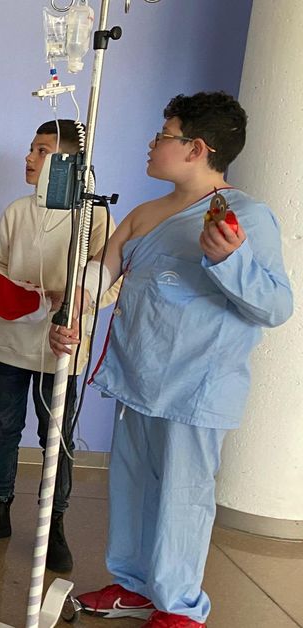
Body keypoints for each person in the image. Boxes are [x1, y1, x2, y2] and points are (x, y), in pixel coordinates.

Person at [52, 92, 291, 628]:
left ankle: (180, 606)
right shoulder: (145, 213)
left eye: (163, 135)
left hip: (197, 386)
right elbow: (100, 272)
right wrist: (72, 315)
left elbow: (275, 306)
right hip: (139, 378)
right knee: (133, 486)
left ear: (196, 148)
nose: (152, 143)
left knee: (182, 498)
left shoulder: (246, 216)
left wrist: (230, 261)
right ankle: (135, 585)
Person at [0, 119, 118, 574]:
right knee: (4, 425)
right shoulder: (16, 212)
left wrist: (70, 298)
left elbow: (108, 285)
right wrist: (9, 287)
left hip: (60, 347)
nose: (29, 158)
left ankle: (55, 522)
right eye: (31, 148)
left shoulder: (95, 219)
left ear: (68, 162)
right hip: (12, 342)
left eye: (41, 151)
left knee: (56, 435)